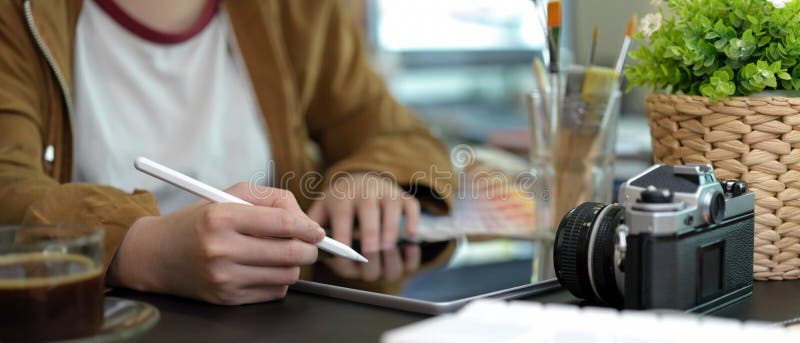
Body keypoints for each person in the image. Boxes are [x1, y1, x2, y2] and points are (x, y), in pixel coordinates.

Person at [0, 0, 454, 305]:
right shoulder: (19, 15)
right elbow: (9, 186)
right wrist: (139, 249)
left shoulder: (295, 10)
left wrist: (371, 175)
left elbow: (395, 132)